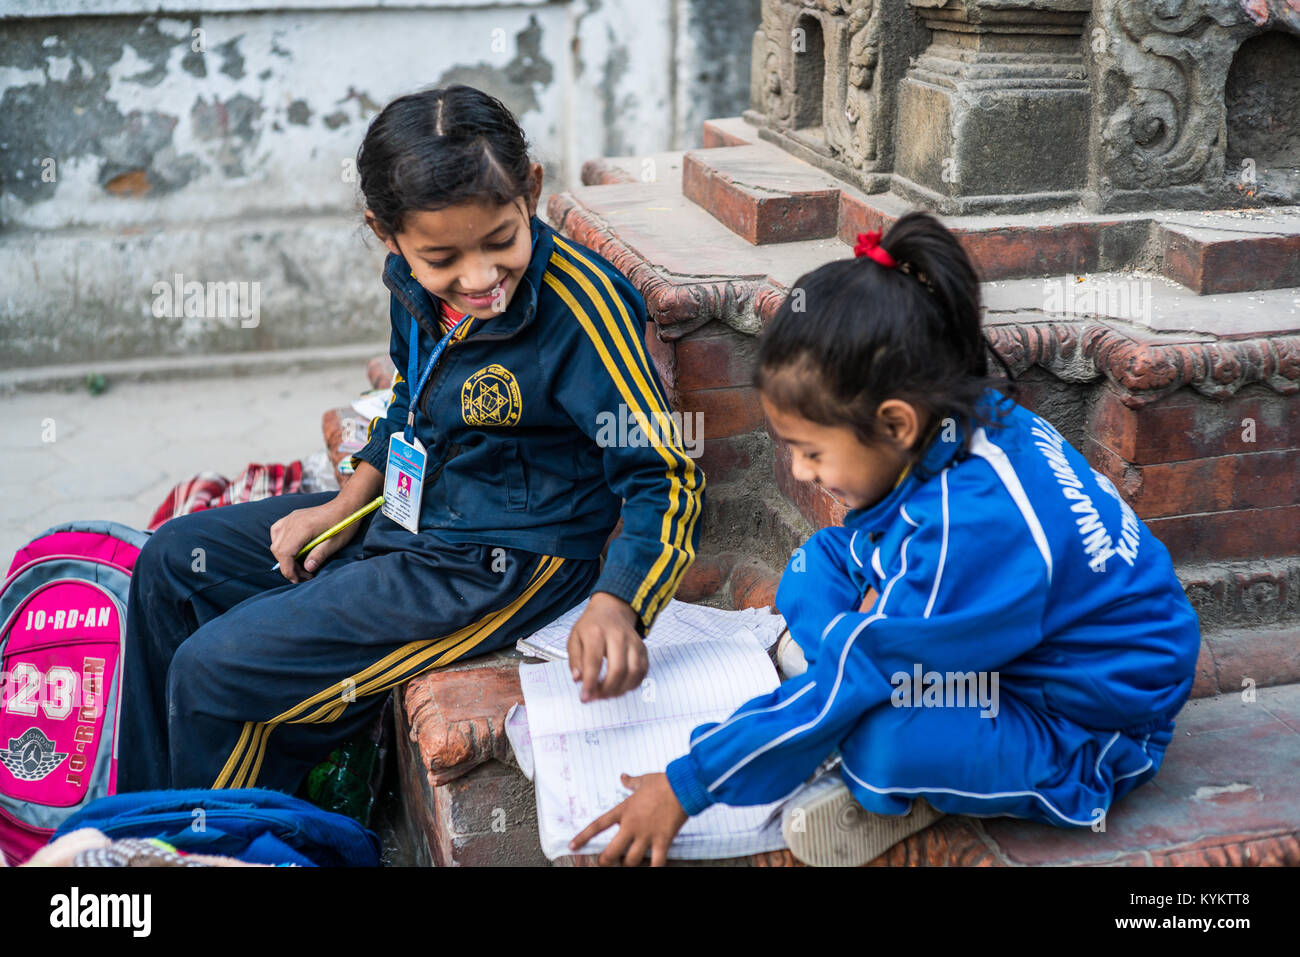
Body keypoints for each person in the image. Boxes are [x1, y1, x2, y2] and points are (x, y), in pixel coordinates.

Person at [117, 85, 703, 793]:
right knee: (172, 564)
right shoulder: (412, 287)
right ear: (387, 233)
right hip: (408, 514)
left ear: (532, 191)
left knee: (214, 674)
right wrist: (345, 504)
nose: (480, 278)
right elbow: (408, 400)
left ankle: (212, 837)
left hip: (500, 564)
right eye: (443, 258)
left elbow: (664, 474)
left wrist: (620, 602)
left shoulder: (581, 308)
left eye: (501, 241)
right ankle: (142, 827)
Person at [570, 212, 1201, 867]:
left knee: (881, 739)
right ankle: (858, 673)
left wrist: (686, 784)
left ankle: (884, 758)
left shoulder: (973, 529)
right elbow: (886, 552)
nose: (800, 472)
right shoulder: (965, 415)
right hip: (1002, 644)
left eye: (812, 451)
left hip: (1082, 719)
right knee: (813, 563)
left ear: (896, 423)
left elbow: (932, 577)